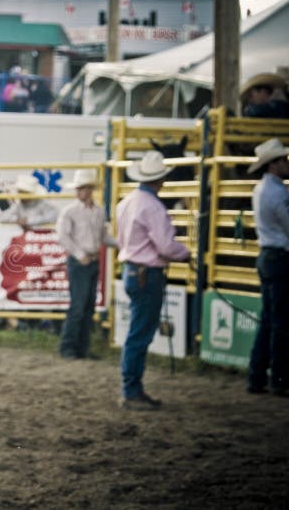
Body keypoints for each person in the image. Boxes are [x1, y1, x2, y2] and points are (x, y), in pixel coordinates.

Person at [115, 151, 190, 410]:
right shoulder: (153, 206)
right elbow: (166, 247)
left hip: (133, 269)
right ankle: (131, 390)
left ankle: (131, 387)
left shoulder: (126, 202)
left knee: (137, 330)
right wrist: (186, 254)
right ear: (161, 180)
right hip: (148, 273)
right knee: (140, 332)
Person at [55, 169, 117, 359]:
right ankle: (68, 347)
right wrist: (80, 254)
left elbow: (102, 236)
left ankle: (81, 347)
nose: (82, 192)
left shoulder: (99, 211)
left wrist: (120, 244)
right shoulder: (70, 211)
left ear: (90, 190)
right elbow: (63, 237)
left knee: (88, 306)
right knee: (78, 306)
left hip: (91, 261)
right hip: (80, 261)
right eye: (80, 188)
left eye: (85, 188)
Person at [246, 138, 289, 397]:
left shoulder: (264, 189)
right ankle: (279, 378)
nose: (286, 163)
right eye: (283, 160)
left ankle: (257, 375)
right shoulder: (277, 192)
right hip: (280, 257)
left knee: (269, 320)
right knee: (281, 322)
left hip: (269, 255)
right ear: (273, 165)